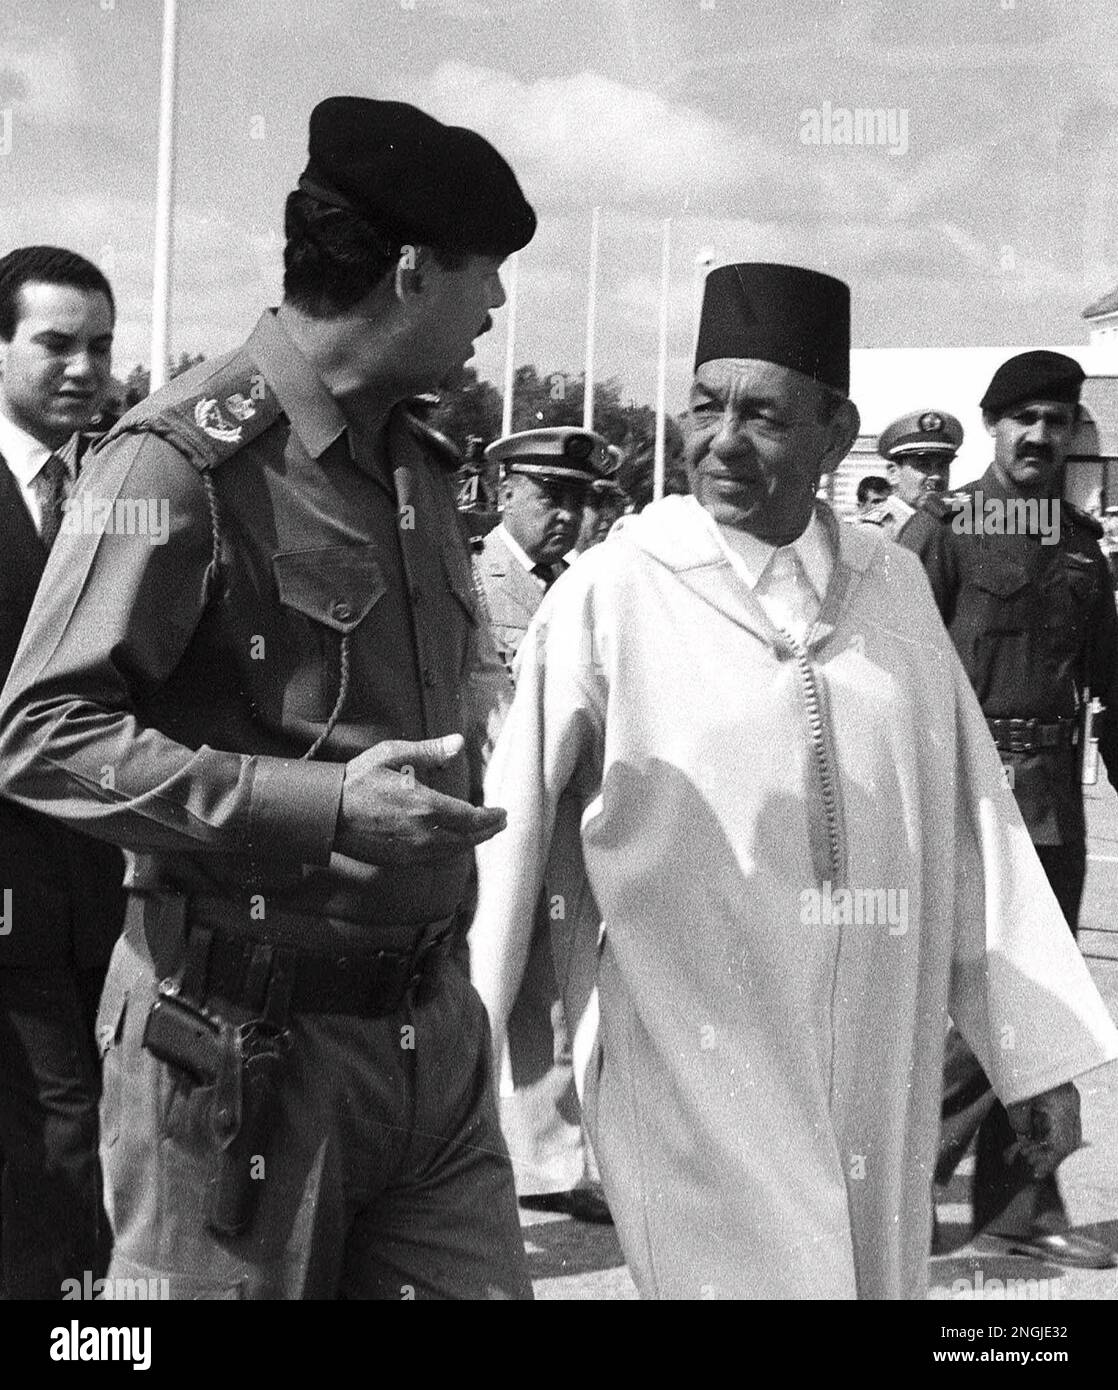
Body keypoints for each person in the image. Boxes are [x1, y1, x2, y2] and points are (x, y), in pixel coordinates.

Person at [468, 262, 1118, 1299]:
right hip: (688, 1059)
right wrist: (460, 1053)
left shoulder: (891, 587)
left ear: (831, 428)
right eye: (702, 407)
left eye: (761, 414)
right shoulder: (614, 593)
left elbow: (971, 831)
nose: (720, 440)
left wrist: (1030, 1056)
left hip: (873, 1064)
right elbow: (509, 831)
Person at [0, 97, 536, 1300]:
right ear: (409, 272)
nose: (495, 311)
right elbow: (40, 736)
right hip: (239, 1050)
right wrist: (320, 807)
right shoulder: (177, 460)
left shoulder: (421, 461)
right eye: (485, 277)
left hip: (429, 1040)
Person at [900, 350, 1118, 1269]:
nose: (1038, 435)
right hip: (964, 796)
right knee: (967, 1014)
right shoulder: (945, 531)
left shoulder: (1078, 542)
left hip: (1054, 808)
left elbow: (1110, 683)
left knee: (1042, 1007)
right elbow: (892, 671)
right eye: (1022, 418)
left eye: (1056, 421)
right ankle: (900, 1187)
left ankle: (1020, 1206)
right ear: (992, 426)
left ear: (1074, 434)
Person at [0, 245, 126, 1300]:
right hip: (10, 890)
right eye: (55, 343)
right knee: (52, 1140)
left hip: (107, 892)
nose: (82, 367)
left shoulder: (117, 492)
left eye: (99, 346)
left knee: (92, 1129)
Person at [474, 426, 613, 1222]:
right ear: (505, 495)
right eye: (550, 495)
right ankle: (462, 1148)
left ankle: (549, 1163)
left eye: (581, 500)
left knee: (554, 983)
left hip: (559, 817)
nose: (568, 514)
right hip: (485, 812)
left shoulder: (581, 584)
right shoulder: (472, 579)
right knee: (477, 976)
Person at [856, 409, 963, 540]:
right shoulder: (873, 533)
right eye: (923, 465)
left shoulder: (955, 527)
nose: (936, 476)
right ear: (893, 474)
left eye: (942, 466)